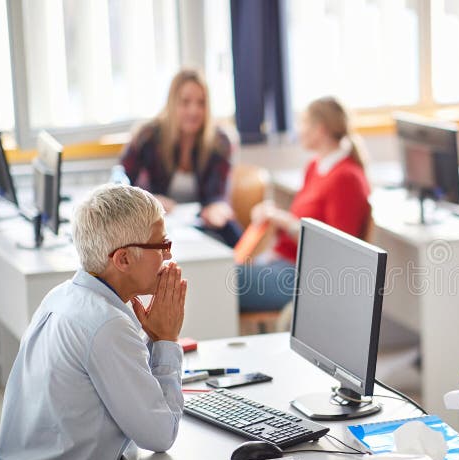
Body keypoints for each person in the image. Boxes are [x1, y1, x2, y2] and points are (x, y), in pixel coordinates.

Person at [0, 184, 187, 460]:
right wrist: (167, 340)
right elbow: (160, 435)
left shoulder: (63, 297)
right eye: (162, 246)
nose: (168, 258)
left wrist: (156, 340)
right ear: (123, 259)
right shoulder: (107, 325)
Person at [233, 96, 371, 312]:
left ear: (320, 130)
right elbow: (304, 221)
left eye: (303, 123)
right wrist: (275, 217)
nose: (299, 129)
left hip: (310, 277)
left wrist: (284, 221)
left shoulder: (347, 177)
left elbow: (339, 247)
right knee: (222, 272)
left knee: (225, 279)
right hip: (284, 262)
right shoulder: (315, 167)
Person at [121, 68, 241, 247]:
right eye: (185, 102)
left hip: (203, 226)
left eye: (201, 103)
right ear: (172, 104)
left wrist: (218, 207)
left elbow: (218, 195)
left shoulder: (220, 141)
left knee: (236, 246)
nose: (194, 110)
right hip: (155, 226)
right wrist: (150, 201)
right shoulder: (147, 137)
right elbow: (120, 185)